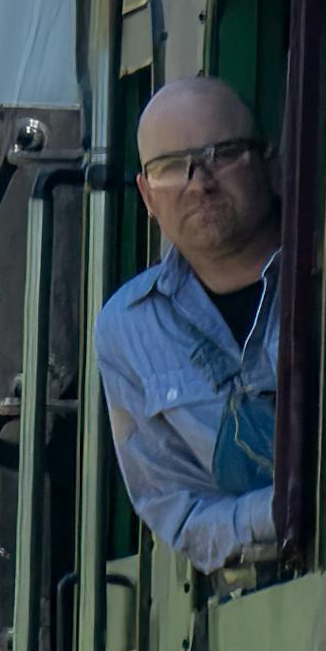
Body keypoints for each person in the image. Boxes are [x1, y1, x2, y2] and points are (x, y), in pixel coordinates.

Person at [98, 73, 295, 573]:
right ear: (146, 194)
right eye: (171, 168)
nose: (200, 184)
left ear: (270, 165)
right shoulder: (128, 329)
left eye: (223, 154)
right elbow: (178, 513)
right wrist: (283, 510)